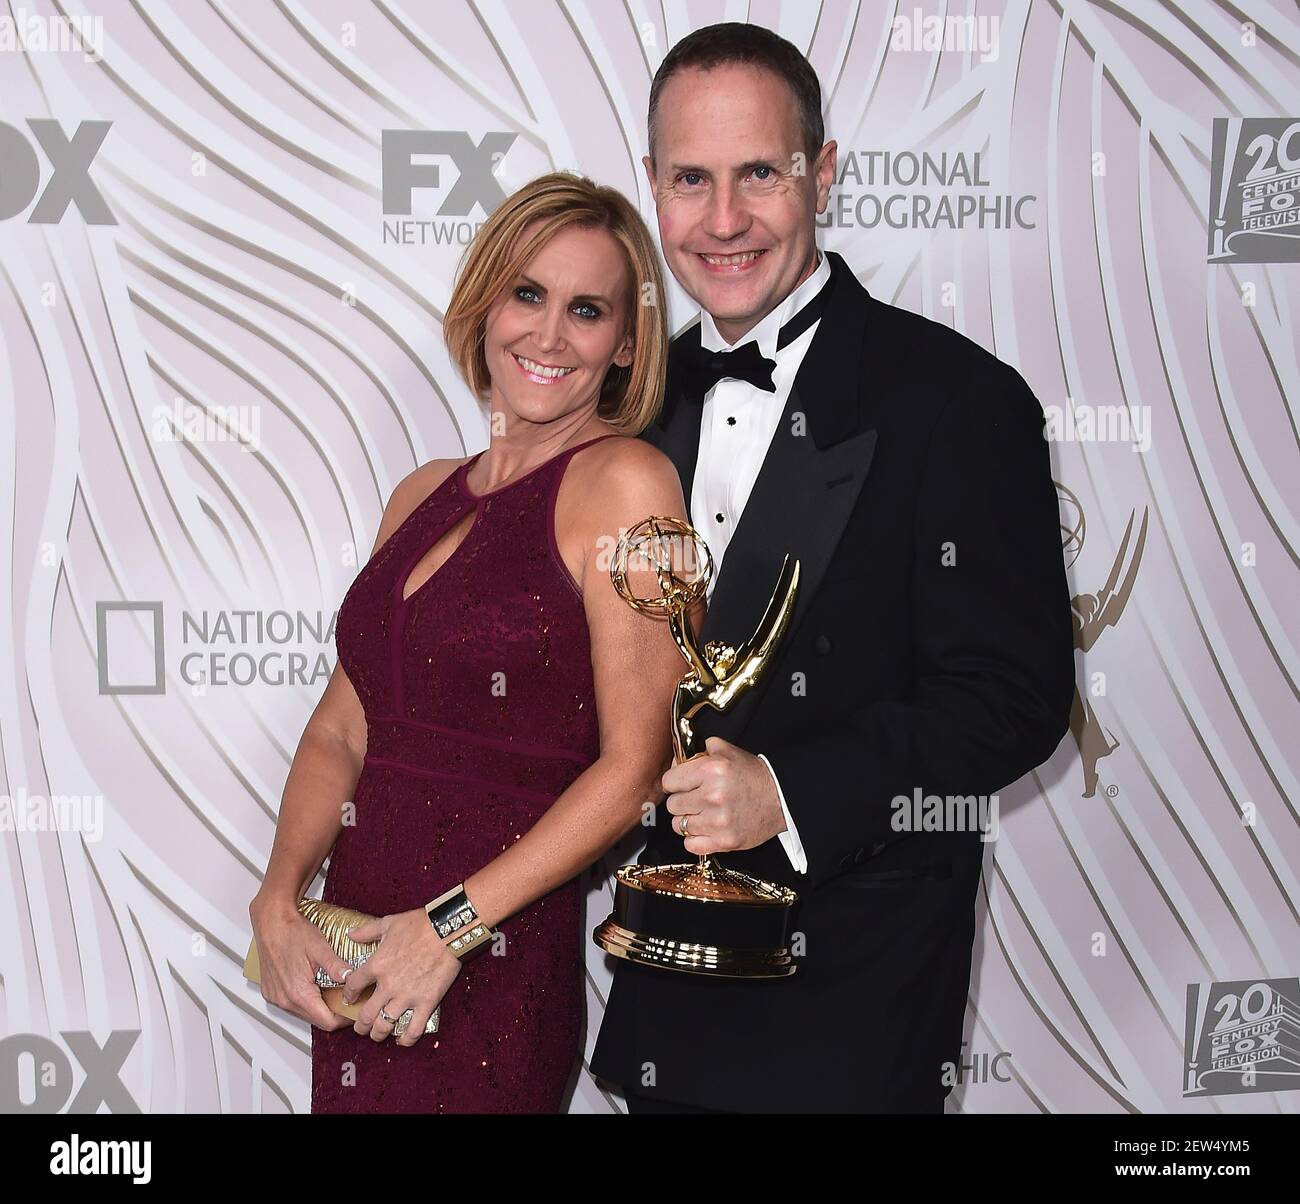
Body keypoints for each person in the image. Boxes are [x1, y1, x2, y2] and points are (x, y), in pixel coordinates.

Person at [590, 23, 1076, 1113]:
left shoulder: (954, 400)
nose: (722, 220)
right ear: (652, 186)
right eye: (691, 179)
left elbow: (1012, 698)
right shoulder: (627, 402)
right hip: (663, 1000)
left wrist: (788, 791)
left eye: (759, 172)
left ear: (823, 171)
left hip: (850, 1008)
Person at [248, 172, 689, 1113]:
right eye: (527, 293)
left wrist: (447, 929)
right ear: (485, 301)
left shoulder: (628, 483)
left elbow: (635, 766)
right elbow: (341, 731)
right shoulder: (421, 492)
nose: (549, 334)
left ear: (625, 343)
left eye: (587, 310)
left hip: (487, 970)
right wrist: (279, 898)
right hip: (362, 958)